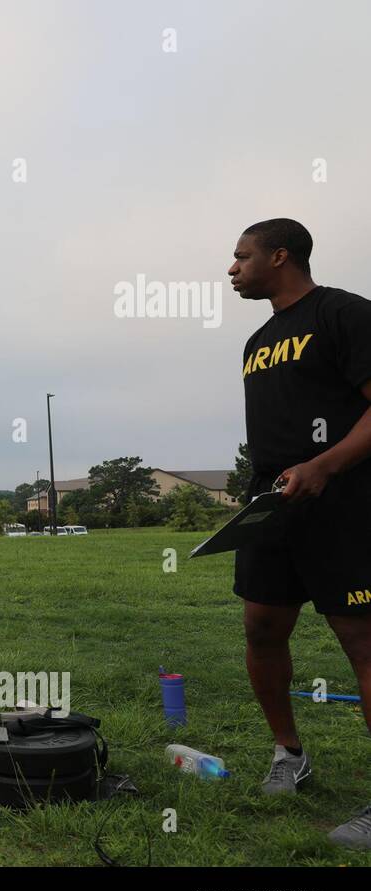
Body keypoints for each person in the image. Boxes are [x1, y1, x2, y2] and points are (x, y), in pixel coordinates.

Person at [229, 218, 371, 848]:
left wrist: (325, 466)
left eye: (241, 257)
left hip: (346, 504)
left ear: (279, 255)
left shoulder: (345, 314)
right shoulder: (256, 342)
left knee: (362, 643)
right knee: (261, 626)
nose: (231, 269)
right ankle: (290, 754)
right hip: (273, 508)